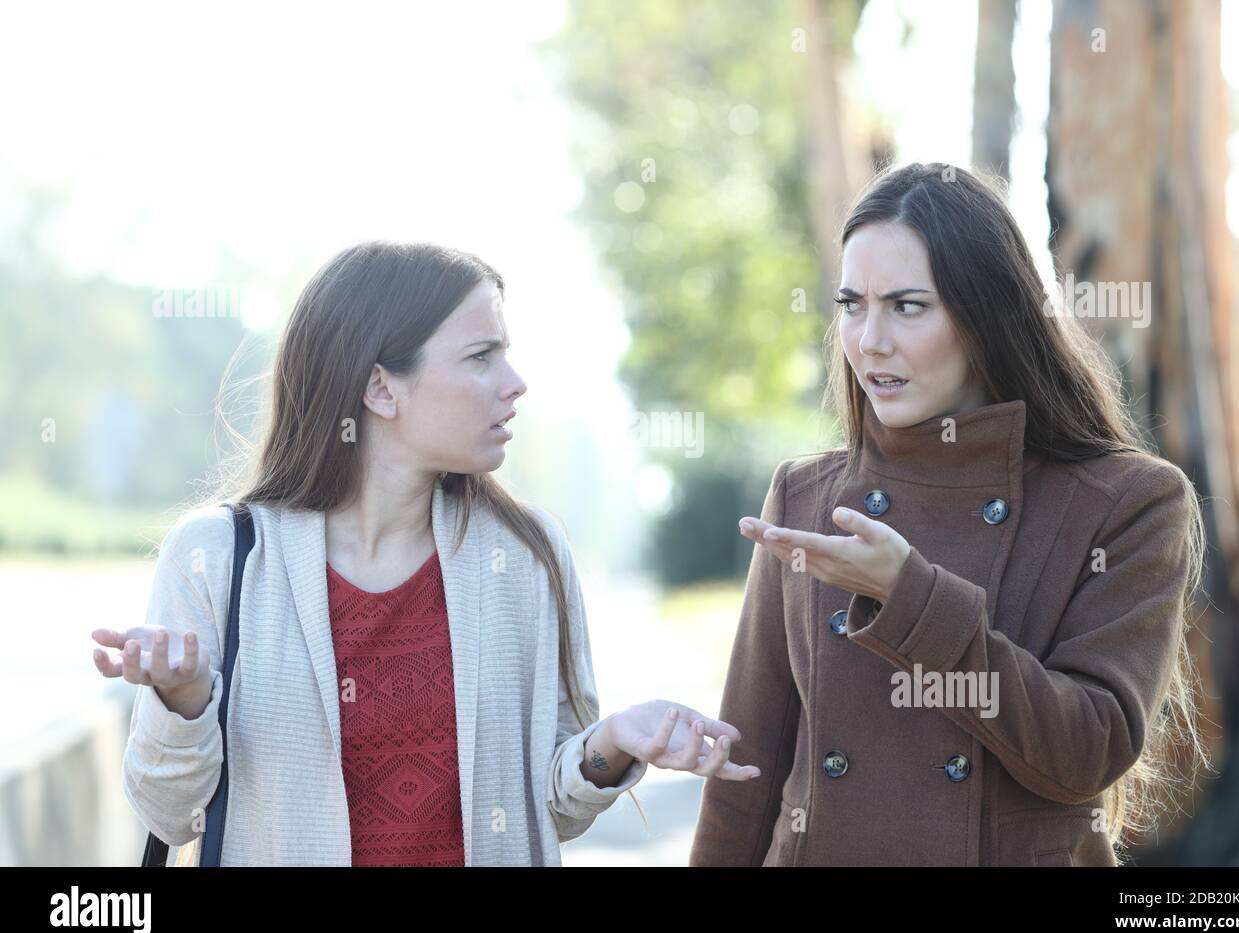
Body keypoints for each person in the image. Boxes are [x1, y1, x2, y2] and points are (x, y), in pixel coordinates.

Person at [92, 240, 759, 866]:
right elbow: (169, 815)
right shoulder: (219, 556)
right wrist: (184, 701)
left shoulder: (527, 555)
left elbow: (554, 809)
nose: (516, 381)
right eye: (481, 356)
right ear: (381, 389)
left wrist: (611, 744)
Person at [689, 162, 1210, 866]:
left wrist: (912, 598)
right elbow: (742, 778)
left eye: (907, 306)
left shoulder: (1127, 501)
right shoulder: (806, 496)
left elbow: (1087, 752)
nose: (870, 340)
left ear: (987, 314)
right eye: (852, 303)